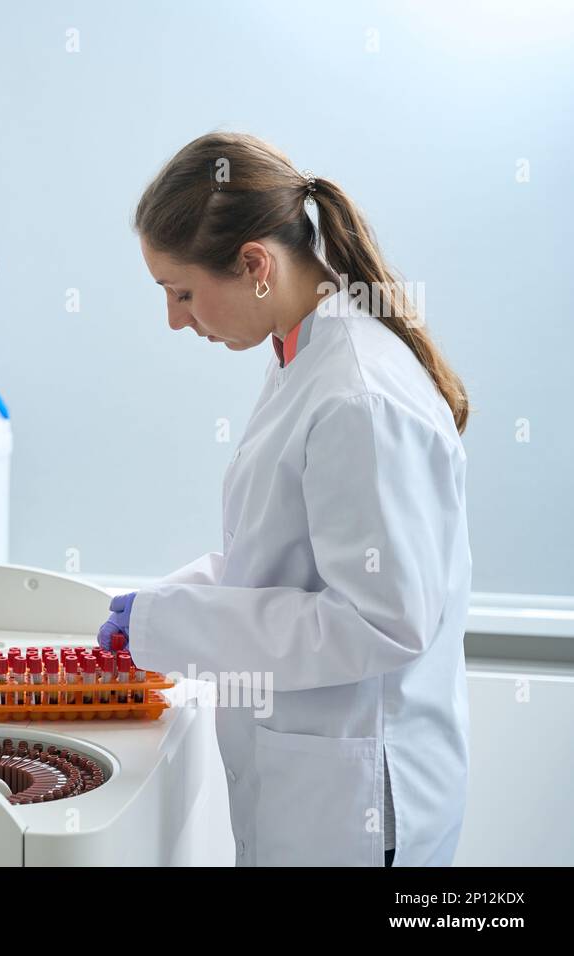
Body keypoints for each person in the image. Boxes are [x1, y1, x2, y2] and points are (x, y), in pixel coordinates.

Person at [99, 132, 471, 867]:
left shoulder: (354, 395)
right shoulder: (305, 360)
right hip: (319, 787)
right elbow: (285, 561)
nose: (176, 319)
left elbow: (380, 621)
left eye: (180, 292)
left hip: (357, 808)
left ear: (255, 265)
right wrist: (167, 602)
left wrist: (176, 624)